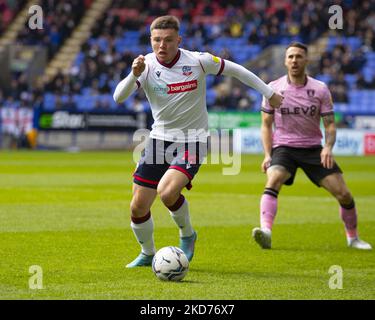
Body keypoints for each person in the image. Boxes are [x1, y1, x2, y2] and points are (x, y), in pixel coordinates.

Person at [113, 15, 284, 268]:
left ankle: (187, 235)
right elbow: (119, 97)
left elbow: (237, 70)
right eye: (157, 40)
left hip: (193, 140)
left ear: (178, 40)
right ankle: (148, 253)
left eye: (168, 40)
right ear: (150, 40)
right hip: (159, 140)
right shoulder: (145, 66)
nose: (162, 45)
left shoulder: (198, 61)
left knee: (168, 192)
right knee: (138, 207)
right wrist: (132, 74)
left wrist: (268, 93)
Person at [252, 42, 372, 250]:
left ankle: (353, 238)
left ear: (307, 60)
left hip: (313, 149)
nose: (294, 60)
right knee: (274, 179)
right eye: (290, 57)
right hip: (284, 147)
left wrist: (327, 147)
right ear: (285, 61)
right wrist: (267, 154)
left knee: (343, 194)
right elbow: (266, 125)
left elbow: (330, 125)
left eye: (299, 56)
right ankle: (266, 232)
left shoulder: (320, 89)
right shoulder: (273, 89)